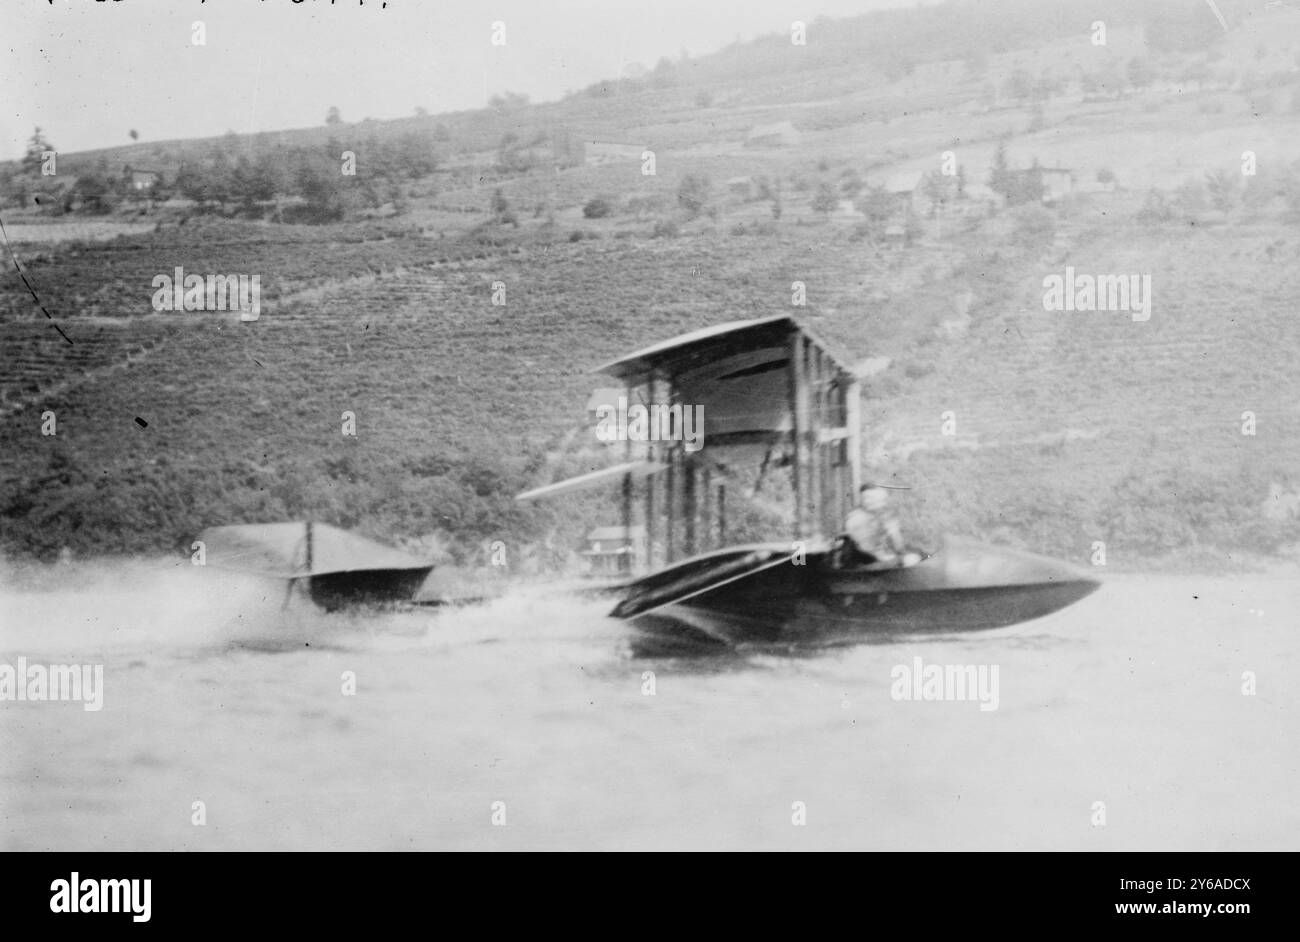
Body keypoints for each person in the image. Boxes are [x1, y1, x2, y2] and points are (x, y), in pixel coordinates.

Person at [840, 483, 907, 567]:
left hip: (880, 559)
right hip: (861, 564)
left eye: (876, 499)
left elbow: (897, 542)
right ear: (861, 500)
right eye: (867, 498)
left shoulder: (884, 515)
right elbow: (865, 547)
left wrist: (901, 553)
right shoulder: (856, 518)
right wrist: (891, 559)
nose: (871, 501)